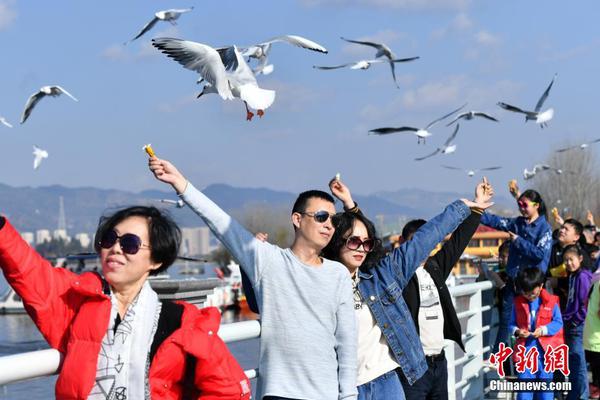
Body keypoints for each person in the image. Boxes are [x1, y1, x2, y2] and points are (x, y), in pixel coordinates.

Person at [149, 157, 358, 400]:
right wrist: (180, 184)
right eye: (321, 216)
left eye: (334, 220)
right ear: (297, 219)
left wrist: (349, 396)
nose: (329, 225)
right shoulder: (268, 260)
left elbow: (346, 343)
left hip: (327, 395)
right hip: (280, 393)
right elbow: (221, 223)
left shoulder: (338, 274)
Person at [0, 207, 251, 399]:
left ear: (155, 261)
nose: (116, 249)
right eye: (110, 239)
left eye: (130, 244)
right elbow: (30, 273)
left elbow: (229, 388)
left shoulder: (182, 323)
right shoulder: (77, 303)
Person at [320, 177, 493, 400]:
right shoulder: (384, 274)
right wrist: (350, 204)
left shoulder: (428, 269)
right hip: (359, 383)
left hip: (413, 369)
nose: (361, 248)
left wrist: (472, 209)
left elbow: (438, 240)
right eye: (354, 242)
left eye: (366, 244)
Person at [480, 189, 553, 360]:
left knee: (531, 324)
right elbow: (496, 221)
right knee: (506, 324)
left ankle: (536, 360)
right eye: (519, 204)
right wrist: (477, 209)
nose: (521, 208)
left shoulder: (544, 229)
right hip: (514, 284)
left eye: (525, 205)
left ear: (536, 206)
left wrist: (518, 241)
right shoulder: (517, 223)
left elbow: (539, 254)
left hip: (531, 286)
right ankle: (497, 358)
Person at [508, 267, 564, 400]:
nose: (529, 297)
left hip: (546, 354)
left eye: (533, 293)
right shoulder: (517, 303)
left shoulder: (552, 301)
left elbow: (558, 322)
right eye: (526, 293)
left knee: (545, 392)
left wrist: (544, 330)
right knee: (524, 391)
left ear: (541, 286)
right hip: (525, 354)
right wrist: (517, 331)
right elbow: (510, 324)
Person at [562, 244, 592, 400]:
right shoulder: (573, 276)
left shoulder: (583, 276)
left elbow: (585, 302)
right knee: (573, 362)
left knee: (578, 363)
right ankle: (575, 394)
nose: (568, 263)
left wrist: (575, 320)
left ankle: (582, 395)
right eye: (565, 260)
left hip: (577, 325)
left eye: (571, 259)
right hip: (570, 323)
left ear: (580, 259)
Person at [584, 277, 600, 399]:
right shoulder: (597, 284)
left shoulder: (596, 284)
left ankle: (595, 386)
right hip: (595, 339)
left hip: (591, 337)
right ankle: (595, 386)